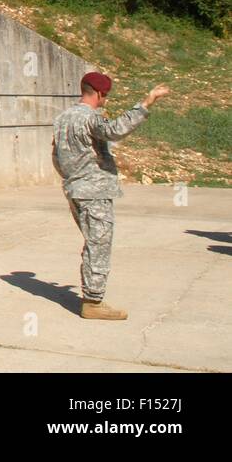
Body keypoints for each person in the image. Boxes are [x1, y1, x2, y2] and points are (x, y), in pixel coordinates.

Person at [51, 71, 170, 320]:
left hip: (74, 188)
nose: (106, 100)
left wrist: (71, 178)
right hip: (93, 191)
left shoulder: (63, 118)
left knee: (92, 241)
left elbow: (56, 154)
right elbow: (115, 130)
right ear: (99, 94)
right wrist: (147, 102)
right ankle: (93, 301)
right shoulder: (90, 117)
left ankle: (91, 293)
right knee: (99, 244)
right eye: (106, 96)